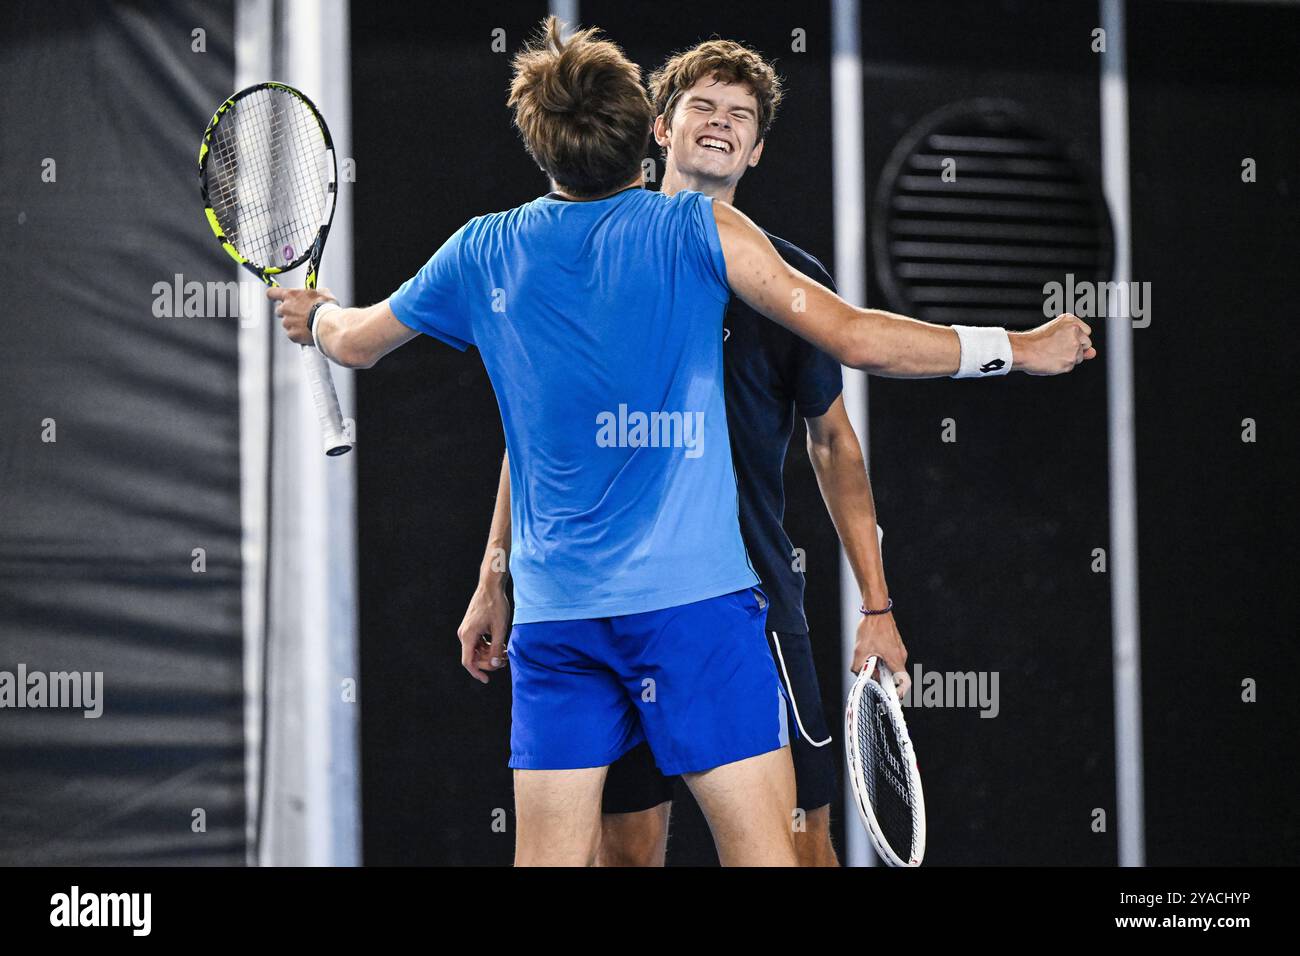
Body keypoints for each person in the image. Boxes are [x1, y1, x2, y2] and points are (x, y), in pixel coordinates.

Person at [270, 17, 1094, 867]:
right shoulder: (700, 233)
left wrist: (316, 316)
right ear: (648, 138)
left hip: (558, 625)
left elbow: (358, 341)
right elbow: (857, 338)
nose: (720, 123)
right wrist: (1019, 348)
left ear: (540, 145)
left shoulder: (482, 250)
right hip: (696, 615)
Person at [461, 38, 898, 868]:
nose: (722, 124)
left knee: (803, 849)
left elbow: (834, 442)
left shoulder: (788, 278)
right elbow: (537, 436)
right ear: (659, 128)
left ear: (758, 150)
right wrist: (495, 570)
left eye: (742, 116)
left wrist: (877, 608)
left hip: (751, 601)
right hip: (605, 603)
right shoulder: (576, 255)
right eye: (704, 106)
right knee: (627, 850)